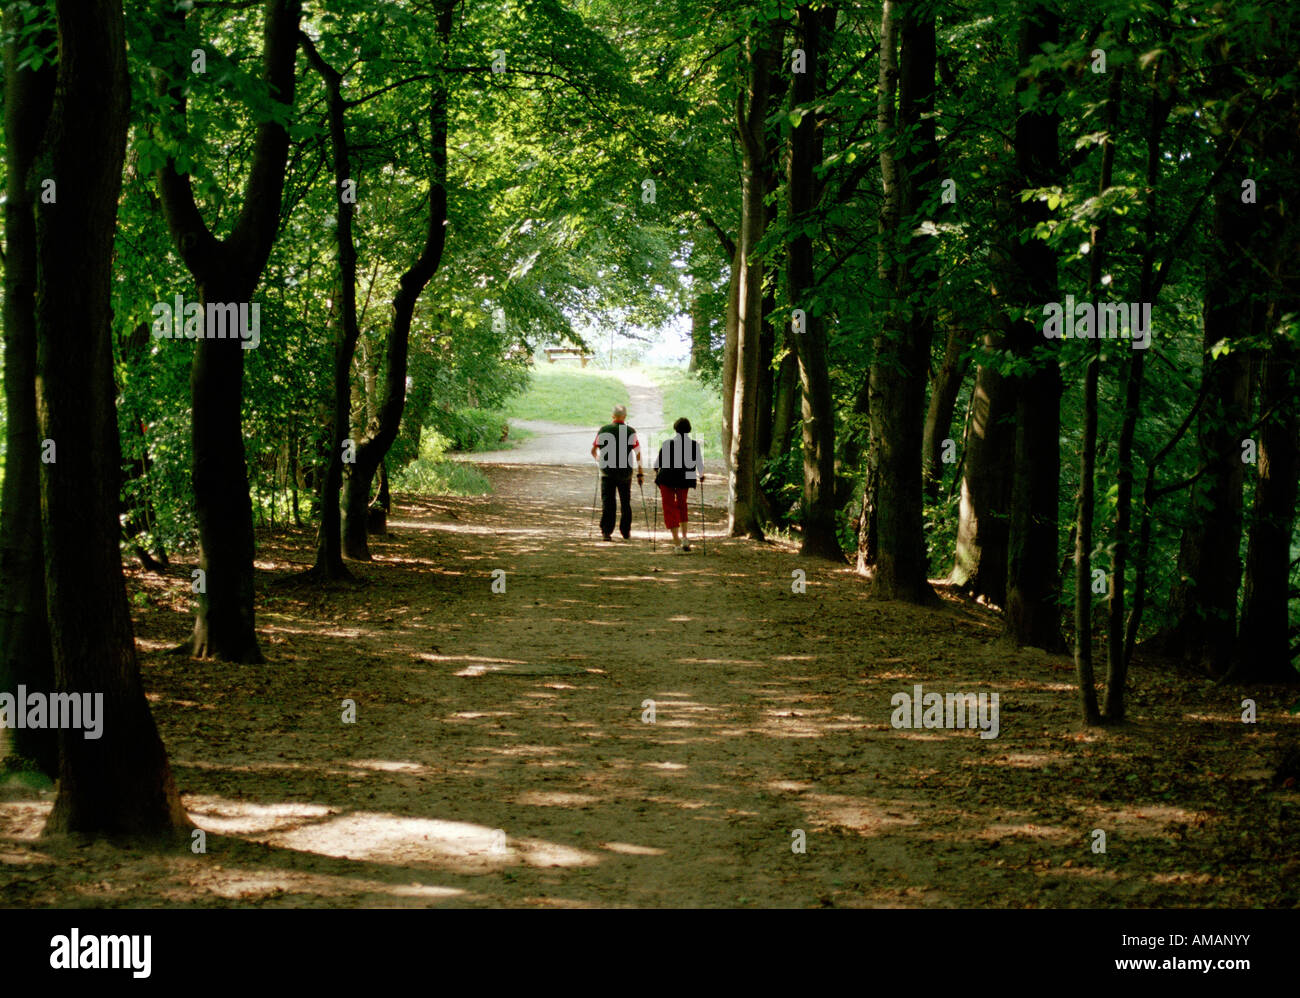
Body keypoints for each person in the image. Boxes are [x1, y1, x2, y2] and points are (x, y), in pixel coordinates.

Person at [590, 404, 643, 541]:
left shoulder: (604, 430)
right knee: (625, 502)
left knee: (608, 502)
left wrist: (598, 460)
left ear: (612, 416)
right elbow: (637, 453)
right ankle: (625, 531)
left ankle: (607, 531)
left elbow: (593, 450)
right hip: (625, 473)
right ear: (624, 417)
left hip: (607, 472)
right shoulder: (630, 431)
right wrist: (640, 472)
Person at [653, 417, 703, 553]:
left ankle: (676, 543)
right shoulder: (694, 445)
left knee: (669, 508)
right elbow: (699, 464)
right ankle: (685, 538)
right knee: (682, 505)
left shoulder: (667, 443)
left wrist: (656, 472)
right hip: (685, 479)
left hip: (667, 478)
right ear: (689, 430)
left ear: (675, 429)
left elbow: (656, 465)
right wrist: (702, 476)